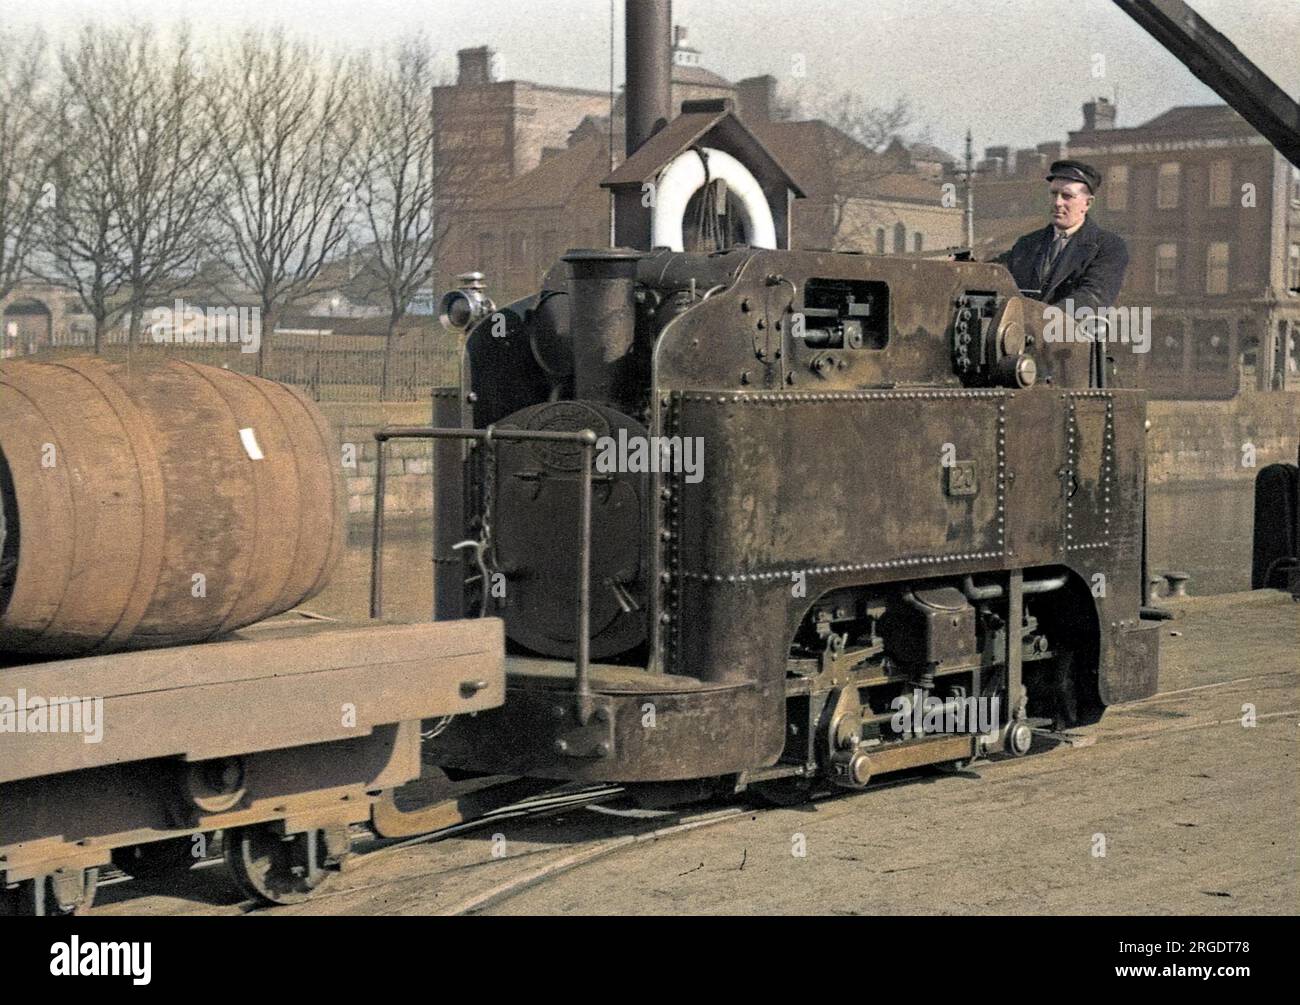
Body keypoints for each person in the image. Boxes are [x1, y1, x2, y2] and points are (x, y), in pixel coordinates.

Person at [994, 160, 1128, 311]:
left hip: (1073, 333)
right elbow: (994, 272)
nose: (1057, 202)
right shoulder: (1026, 244)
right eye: (1053, 194)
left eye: (1067, 196)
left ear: (1088, 203)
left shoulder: (1107, 247)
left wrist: (1040, 318)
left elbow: (1092, 297)